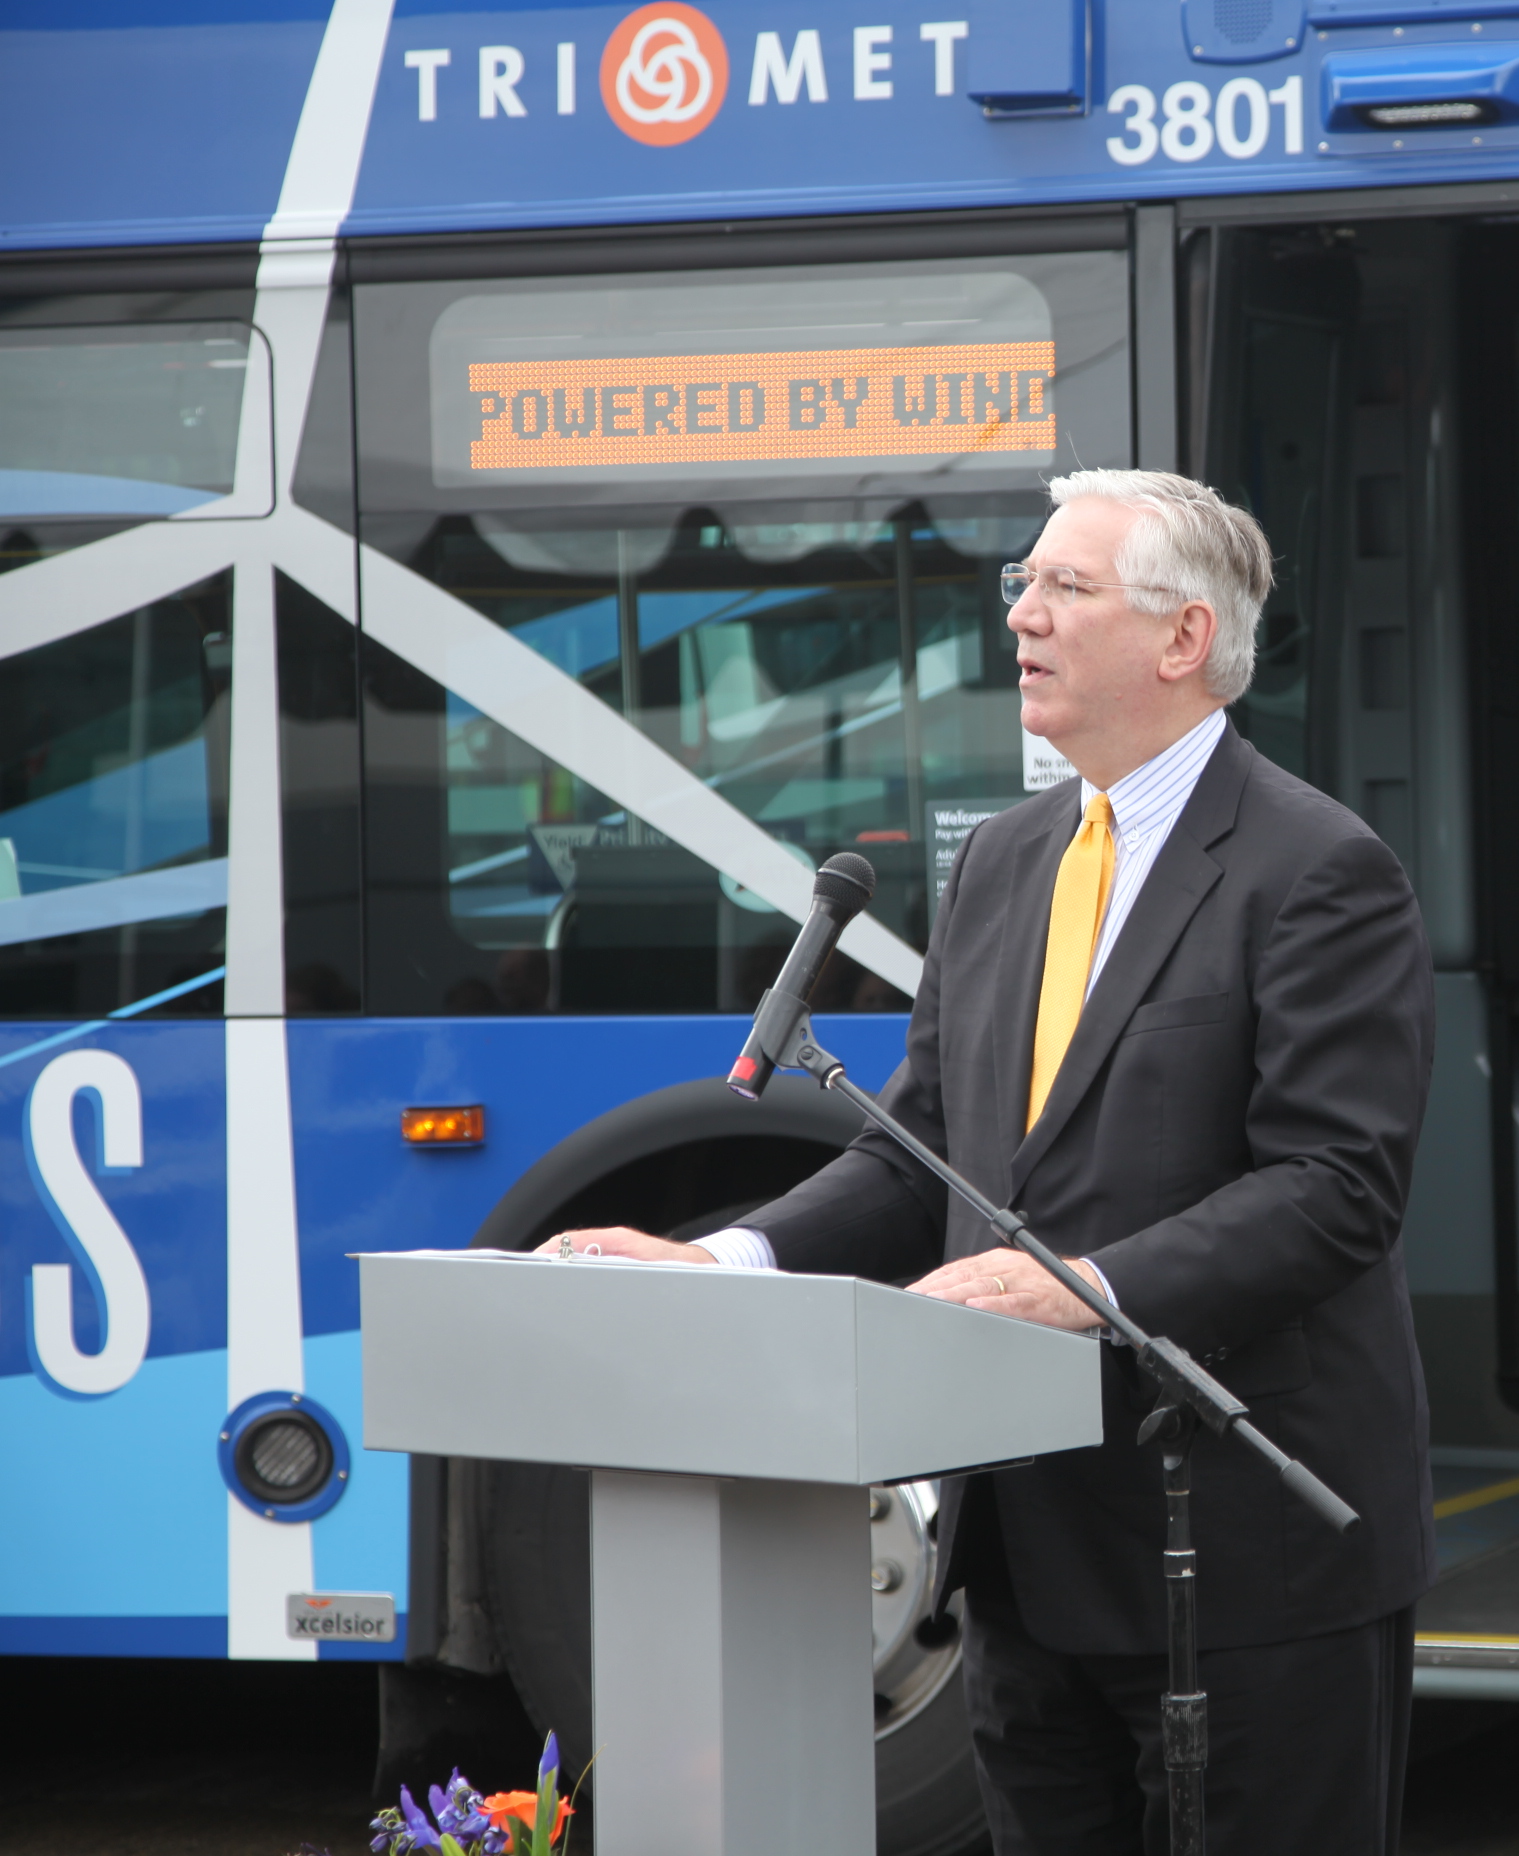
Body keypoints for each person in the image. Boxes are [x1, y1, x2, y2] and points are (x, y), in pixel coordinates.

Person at [544, 469, 1438, 1855]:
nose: (1019, 612)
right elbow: (925, 1159)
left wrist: (1092, 1285)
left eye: (1063, 587)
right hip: (1024, 1551)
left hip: (1248, 1561)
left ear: (1183, 639)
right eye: (1021, 583)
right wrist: (723, 1259)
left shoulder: (1320, 866)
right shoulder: (1005, 862)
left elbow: (1338, 1189)